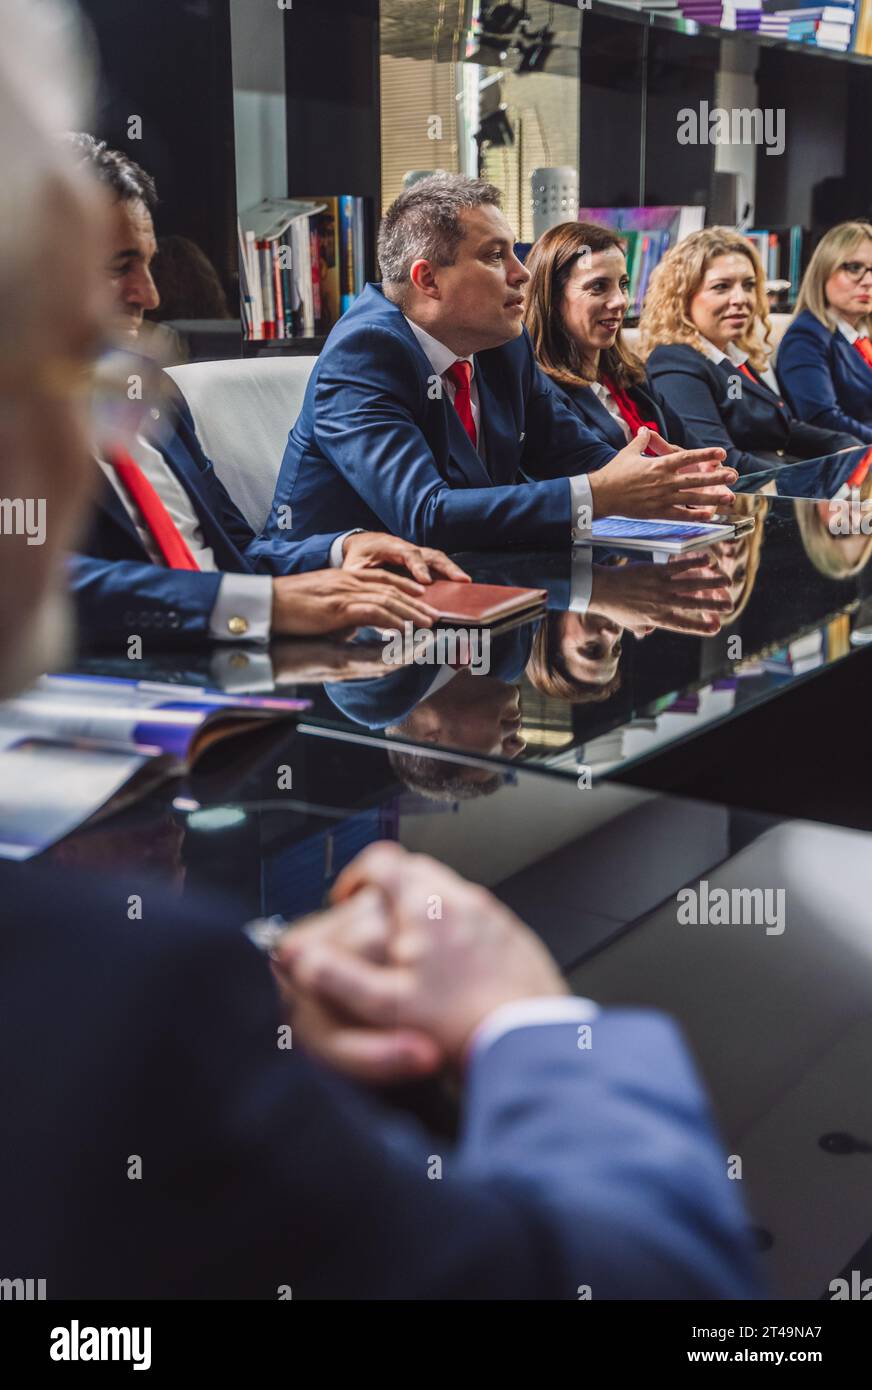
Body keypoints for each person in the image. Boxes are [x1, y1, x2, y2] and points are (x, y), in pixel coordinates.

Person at [0, 0, 763, 1301]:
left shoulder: (165, 401)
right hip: (194, 738)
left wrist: (318, 567)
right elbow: (653, 1285)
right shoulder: (129, 995)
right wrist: (531, 1019)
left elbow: (238, 544)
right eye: (80, 335)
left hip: (257, 723)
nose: (147, 307)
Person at [66, 135, 468, 647]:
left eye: (148, 264)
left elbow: (236, 552)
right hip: (133, 693)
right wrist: (261, 606)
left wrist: (343, 550)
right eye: (118, 266)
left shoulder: (145, 398)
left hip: (240, 663)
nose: (149, 294)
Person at [250, 175, 738, 564]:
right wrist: (599, 494)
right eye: (494, 256)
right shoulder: (366, 353)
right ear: (428, 280)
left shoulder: (503, 342)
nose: (522, 273)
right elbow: (425, 515)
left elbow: (567, 452)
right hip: (345, 623)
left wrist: (663, 480)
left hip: (469, 585)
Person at [639, 229, 859, 477]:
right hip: (738, 506)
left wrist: (844, 444)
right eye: (721, 287)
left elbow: (782, 429)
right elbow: (720, 459)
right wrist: (808, 478)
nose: (740, 298)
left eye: (749, 285)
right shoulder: (674, 362)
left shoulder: (730, 353)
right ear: (682, 297)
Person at [524, 220, 692, 449]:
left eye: (623, 285)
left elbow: (694, 449)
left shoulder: (632, 375)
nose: (620, 301)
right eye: (598, 287)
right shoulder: (538, 390)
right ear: (552, 297)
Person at [777, 221, 872, 444]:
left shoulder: (860, 334)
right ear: (824, 270)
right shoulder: (806, 336)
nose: (868, 281)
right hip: (841, 466)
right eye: (854, 268)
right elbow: (822, 419)